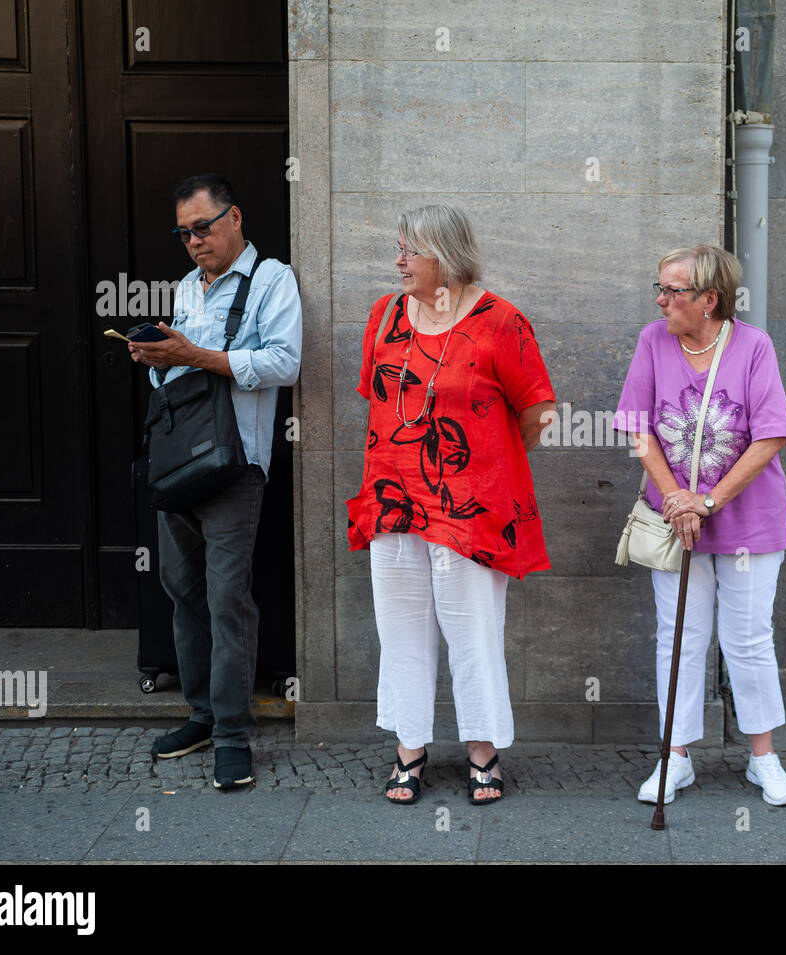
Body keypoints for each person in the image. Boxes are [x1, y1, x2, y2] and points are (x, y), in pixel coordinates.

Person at [346, 204, 555, 805]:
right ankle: (410, 747)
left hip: (473, 509)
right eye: (399, 248)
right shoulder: (384, 316)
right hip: (393, 500)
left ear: (447, 254)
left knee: (474, 632)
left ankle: (482, 752)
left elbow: (538, 412)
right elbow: (378, 399)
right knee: (402, 630)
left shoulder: (500, 322)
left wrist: (488, 464)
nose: (399, 260)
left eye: (411, 249)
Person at [130, 173, 302, 788]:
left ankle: (232, 733)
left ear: (234, 218)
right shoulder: (185, 288)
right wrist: (155, 360)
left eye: (202, 228)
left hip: (234, 467)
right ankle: (201, 714)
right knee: (182, 593)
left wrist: (191, 356)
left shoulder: (272, 280)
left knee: (229, 601)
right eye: (183, 233)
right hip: (179, 465)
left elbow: (285, 362)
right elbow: (176, 384)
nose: (193, 242)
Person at [615, 244, 786, 806]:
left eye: (673, 291)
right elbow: (637, 427)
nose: (661, 300)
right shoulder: (654, 340)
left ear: (709, 299)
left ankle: (762, 756)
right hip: (676, 520)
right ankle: (675, 757)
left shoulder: (752, 345)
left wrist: (708, 502)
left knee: (748, 638)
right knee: (679, 635)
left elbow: (769, 435)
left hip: (747, 517)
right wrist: (676, 499)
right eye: (660, 287)